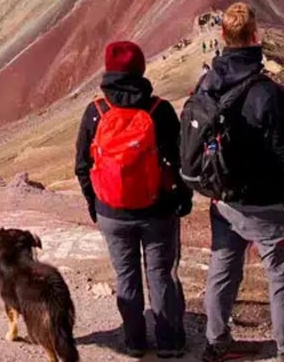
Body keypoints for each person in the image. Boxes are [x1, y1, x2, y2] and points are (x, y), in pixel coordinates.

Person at [192, 2, 284, 362]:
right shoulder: (268, 93)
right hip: (268, 203)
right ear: (255, 37)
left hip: (224, 199)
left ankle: (216, 342)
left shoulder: (207, 83)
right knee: (282, 277)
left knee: (222, 270)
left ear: (222, 37)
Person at [75, 41, 192, 359]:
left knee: (126, 276)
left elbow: (82, 166)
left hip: (112, 212)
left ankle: (135, 342)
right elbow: (180, 161)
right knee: (161, 274)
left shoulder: (96, 112)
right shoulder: (159, 111)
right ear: (141, 69)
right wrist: (183, 198)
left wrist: (94, 204)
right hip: (158, 210)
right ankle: (169, 343)